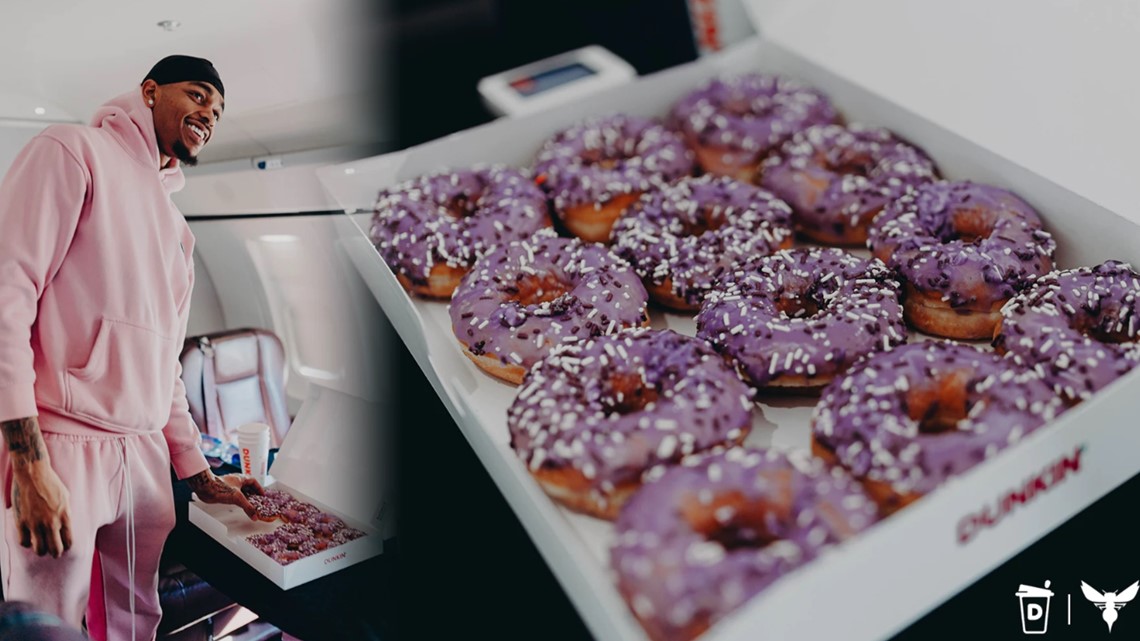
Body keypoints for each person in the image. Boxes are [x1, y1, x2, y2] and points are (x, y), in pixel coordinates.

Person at [0, 55, 263, 641]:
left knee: (137, 619)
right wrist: (29, 462)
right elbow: (5, 301)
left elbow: (164, 361)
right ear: (148, 92)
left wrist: (196, 473)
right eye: (196, 95)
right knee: (47, 621)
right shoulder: (71, 151)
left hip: (144, 455)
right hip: (65, 441)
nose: (208, 114)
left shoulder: (176, 227)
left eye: (217, 110)